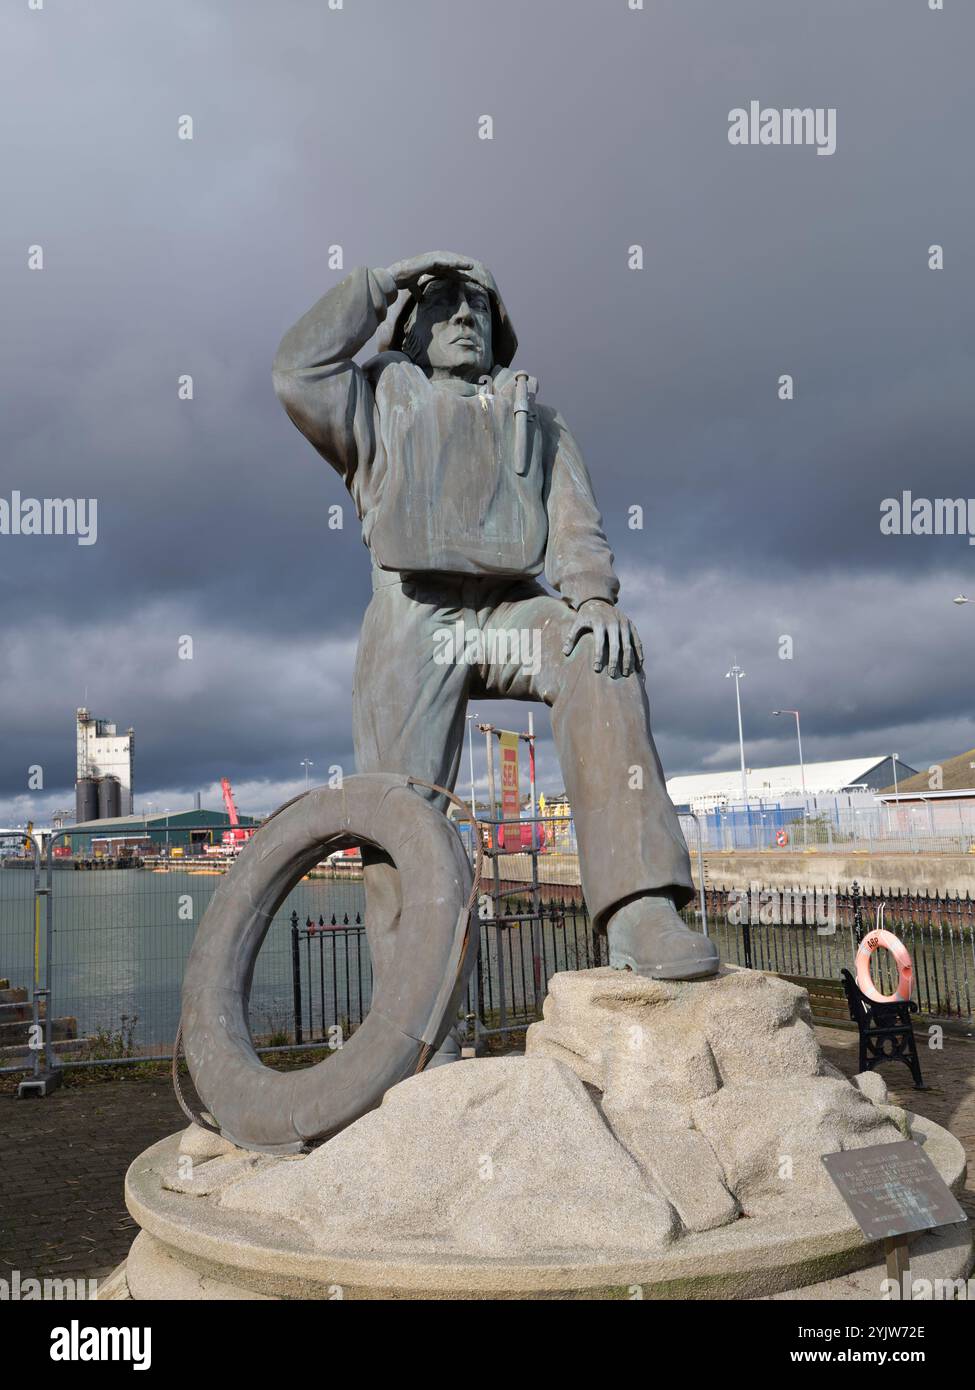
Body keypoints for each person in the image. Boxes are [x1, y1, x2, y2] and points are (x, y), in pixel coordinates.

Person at [273, 251, 718, 981]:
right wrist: (382, 281)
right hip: (411, 611)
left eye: (475, 308)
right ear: (410, 331)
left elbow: (573, 522)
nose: (462, 319)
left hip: (513, 605)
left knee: (596, 654)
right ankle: (415, 1010)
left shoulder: (534, 417)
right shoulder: (375, 400)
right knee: (399, 811)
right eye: (442, 307)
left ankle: (641, 908)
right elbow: (296, 370)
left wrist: (594, 596)